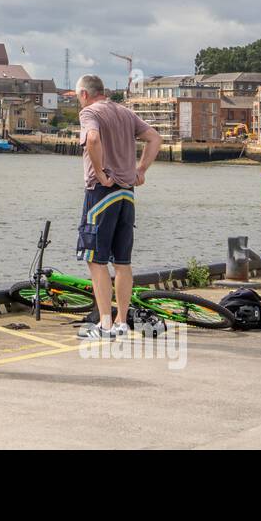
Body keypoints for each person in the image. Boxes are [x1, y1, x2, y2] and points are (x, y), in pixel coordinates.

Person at [74, 75, 162, 340]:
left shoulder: (90, 112)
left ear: (85, 95)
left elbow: (92, 139)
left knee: (95, 260)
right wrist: (141, 170)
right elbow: (154, 138)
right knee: (122, 262)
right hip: (127, 193)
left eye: (79, 97)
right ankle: (122, 322)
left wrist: (100, 173)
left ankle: (105, 324)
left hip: (102, 193)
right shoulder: (125, 113)